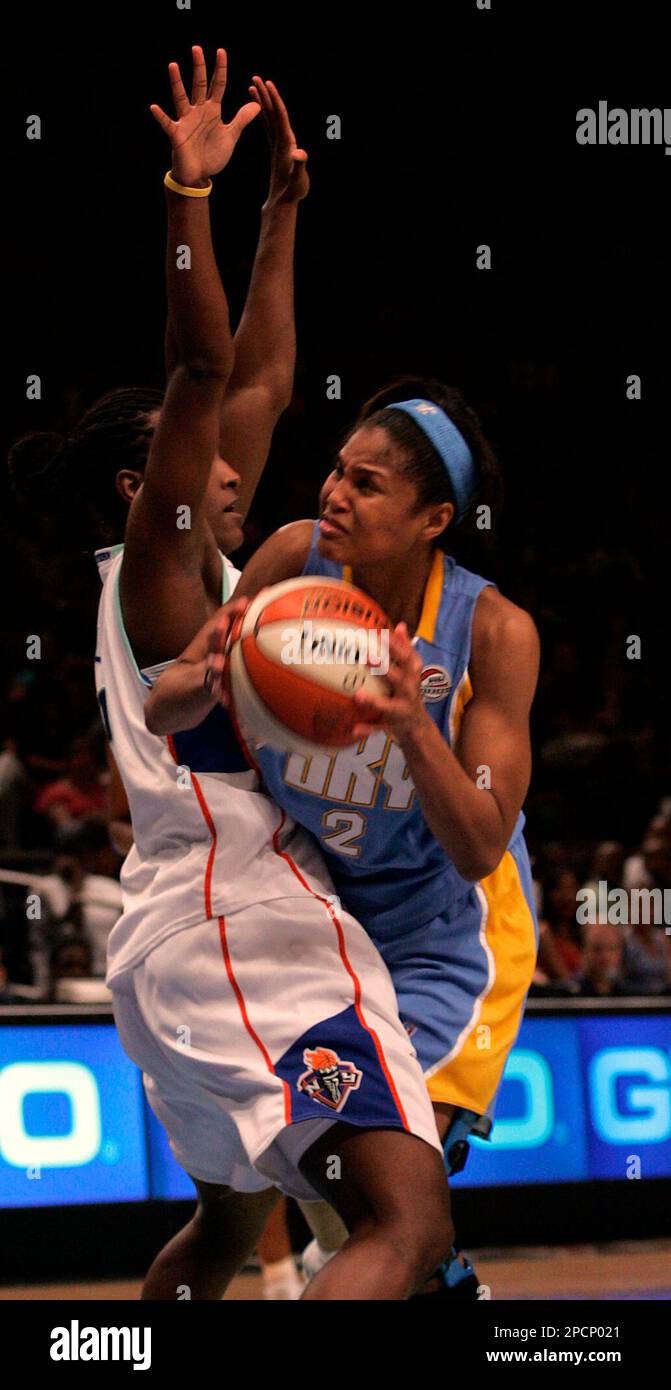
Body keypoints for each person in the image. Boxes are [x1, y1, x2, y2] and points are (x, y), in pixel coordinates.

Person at [10, 48, 452, 1300]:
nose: (223, 462)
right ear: (136, 486)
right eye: (186, 454)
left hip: (176, 941)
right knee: (404, 1218)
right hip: (242, 918)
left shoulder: (197, 571)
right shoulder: (152, 567)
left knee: (222, 1234)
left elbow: (255, 376)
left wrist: (281, 211)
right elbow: (206, 369)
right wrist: (187, 194)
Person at [148, 374, 541, 1297]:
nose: (333, 493)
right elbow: (165, 708)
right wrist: (215, 662)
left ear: (433, 519)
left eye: (367, 484)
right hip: (324, 932)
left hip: (450, 944)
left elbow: (480, 844)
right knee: (352, 1205)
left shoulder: (490, 632)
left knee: (389, 1195)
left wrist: (411, 723)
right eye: (335, 470)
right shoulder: (293, 561)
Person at [572, 920, 628, 997]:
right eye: (597, 949)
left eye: (611, 949)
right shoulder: (568, 995)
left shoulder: (629, 996)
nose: (605, 957)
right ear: (583, 950)